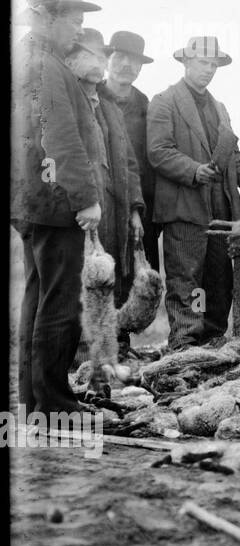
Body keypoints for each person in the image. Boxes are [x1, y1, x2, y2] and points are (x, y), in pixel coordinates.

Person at [14, 0, 105, 412]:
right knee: (61, 303)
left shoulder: (24, 58)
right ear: (50, 17)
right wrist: (84, 197)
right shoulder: (47, 65)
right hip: (56, 203)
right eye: (75, 21)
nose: (78, 31)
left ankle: (34, 398)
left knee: (37, 298)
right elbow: (62, 137)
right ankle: (52, 402)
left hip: (31, 202)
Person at [148, 36, 240, 349]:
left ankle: (213, 339)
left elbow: (235, 157)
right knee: (187, 278)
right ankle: (186, 343)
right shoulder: (164, 101)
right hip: (184, 206)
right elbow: (158, 151)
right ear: (186, 62)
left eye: (213, 64)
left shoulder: (220, 108)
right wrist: (193, 170)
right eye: (203, 62)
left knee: (219, 279)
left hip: (222, 210)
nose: (209, 70)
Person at [67, 30, 145, 350]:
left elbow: (128, 163)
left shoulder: (111, 107)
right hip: (84, 206)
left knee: (116, 273)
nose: (100, 65)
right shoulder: (69, 100)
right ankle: (82, 352)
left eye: (101, 57)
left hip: (117, 206)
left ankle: (117, 346)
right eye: (94, 57)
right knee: (84, 277)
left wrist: (136, 210)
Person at [101, 30, 160, 271]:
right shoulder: (89, 97)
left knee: (143, 280)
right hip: (100, 210)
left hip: (140, 211)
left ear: (141, 67)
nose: (126, 64)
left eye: (134, 59)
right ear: (107, 59)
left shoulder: (149, 107)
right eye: (119, 56)